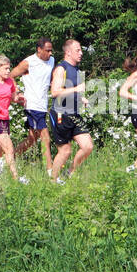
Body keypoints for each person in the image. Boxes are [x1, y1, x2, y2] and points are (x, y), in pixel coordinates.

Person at [8, 38, 56, 176]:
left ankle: (9, 158)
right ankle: (51, 172)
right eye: (47, 50)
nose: (50, 53)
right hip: (32, 104)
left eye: (51, 50)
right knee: (45, 137)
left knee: (32, 140)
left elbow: (48, 78)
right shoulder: (29, 62)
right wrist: (16, 92)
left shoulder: (51, 61)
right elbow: (10, 76)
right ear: (39, 49)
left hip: (42, 104)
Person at [48, 39, 94, 182]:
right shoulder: (62, 68)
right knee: (65, 151)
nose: (81, 53)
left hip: (74, 114)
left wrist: (82, 98)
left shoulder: (78, 70)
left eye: (81, 50)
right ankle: (53, 181)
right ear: (68, 52)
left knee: (88, 147)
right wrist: (76, 89)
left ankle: (69, 172)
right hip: (61, 114)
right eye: (77, 50)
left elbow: (74, 92)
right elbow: (55, 91)